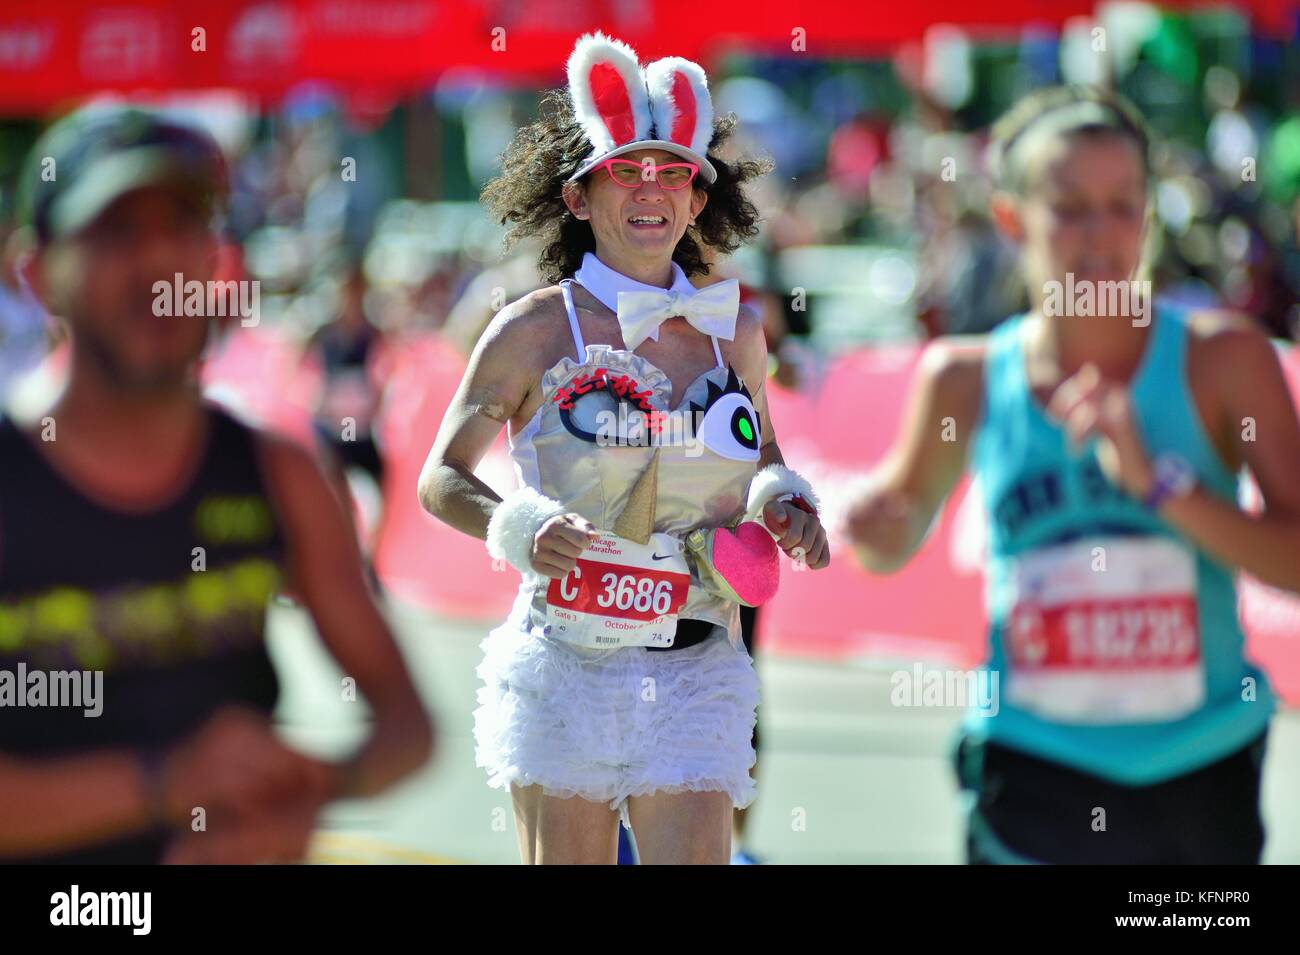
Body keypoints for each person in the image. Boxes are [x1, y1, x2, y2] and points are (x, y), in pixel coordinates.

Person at [845, 86, 1300, 864]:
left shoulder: (1227, 359)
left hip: (1198, 775)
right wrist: (868, 525)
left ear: (1151, 213)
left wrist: (1162, 486)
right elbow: (888, 540)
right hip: (1033, 777)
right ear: (1013, 218)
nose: (1102, 233)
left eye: (1123, 204)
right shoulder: (963, 378)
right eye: (1071, 207)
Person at [418, 32, 829, 865]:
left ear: (695, 195)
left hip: (695, 666)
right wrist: (518, 527)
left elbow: (764, 466)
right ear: (578, 196)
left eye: (672, 171)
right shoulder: (532, 329)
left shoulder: (735, 332)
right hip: (566, 668)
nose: (651, 190)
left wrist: (788, 506)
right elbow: (441, 478)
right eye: (626, 170)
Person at [0, 106, 432, 864]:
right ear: (36, 274)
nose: (160, 260)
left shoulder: (276, 468)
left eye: (185, 224)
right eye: (118, 232)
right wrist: (165, 785)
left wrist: (305, 792)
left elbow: (407, 724)